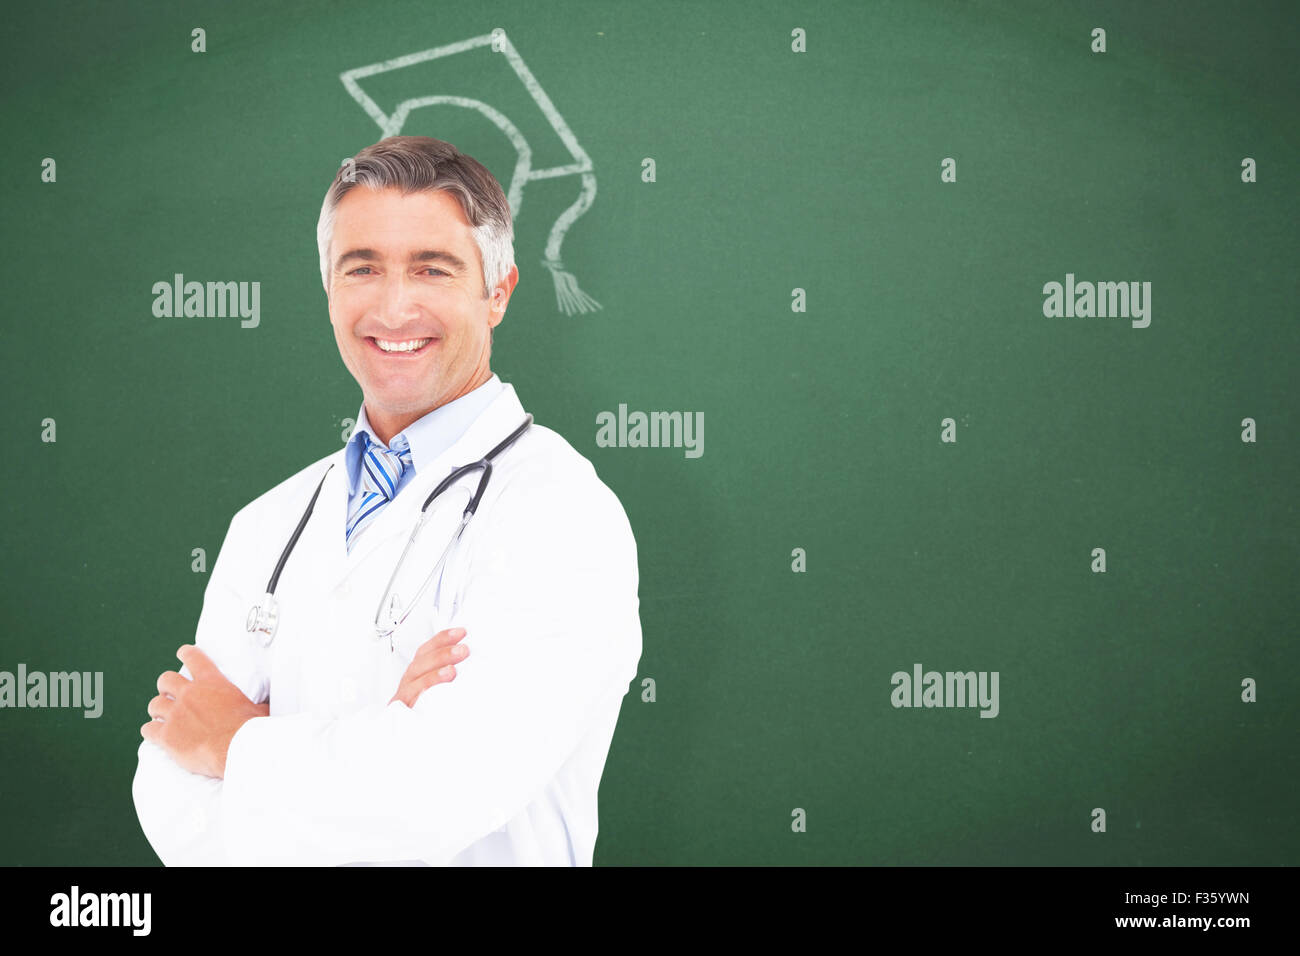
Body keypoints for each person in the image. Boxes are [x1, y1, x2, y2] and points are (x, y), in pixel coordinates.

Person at [131, 136, 642, 866]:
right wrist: (384, 733)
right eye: (362, 267)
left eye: (432, 269)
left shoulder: (559, 513)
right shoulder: (267, 524)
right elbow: (170, 799)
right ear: (329, 290)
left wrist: (235, 741)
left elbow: (438, 793)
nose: (394, 306)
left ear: (497, 292)